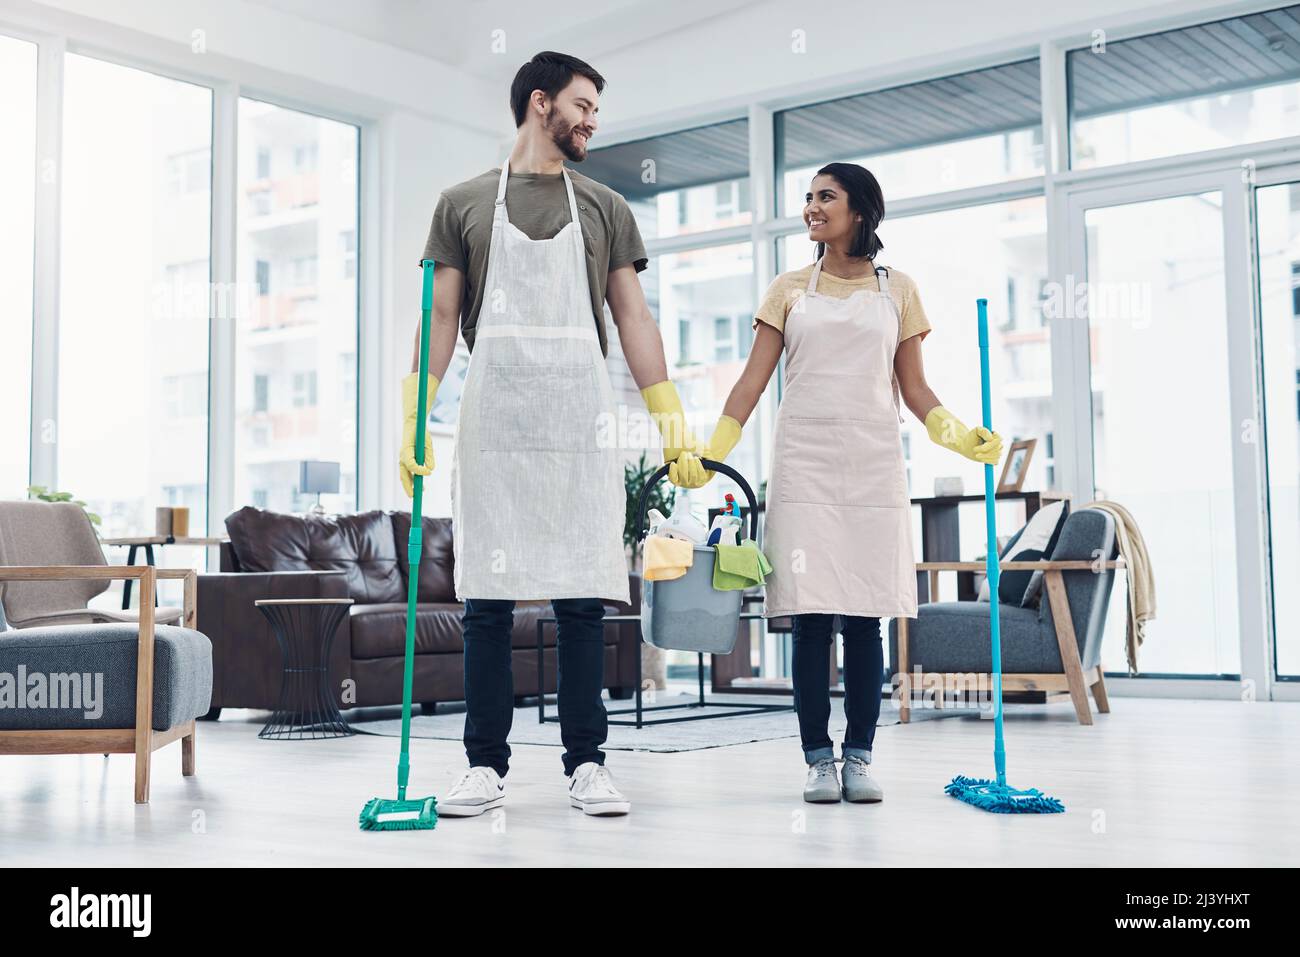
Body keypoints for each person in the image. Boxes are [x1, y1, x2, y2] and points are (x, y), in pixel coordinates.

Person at [400, 52, 699, 818]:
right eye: (583, 103)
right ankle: (483, 765)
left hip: (578, 420)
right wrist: (414, 417)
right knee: (487, 602)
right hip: (494, 420)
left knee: (582, 597)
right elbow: (440, 318)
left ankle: (588, 762)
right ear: (541, 104)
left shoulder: (604, 206)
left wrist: (671, 423)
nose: (593, 119)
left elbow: (633, 318)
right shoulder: (462, 203)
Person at [672, 162, 1003, 804]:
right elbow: (751, 381)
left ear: (860, 210)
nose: (812, 207)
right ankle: (817, 759)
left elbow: (916, 391)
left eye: (826, 197)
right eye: (808, 197)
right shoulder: (790, 288)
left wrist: (960, 435)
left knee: (863, 619)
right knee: (811, 616)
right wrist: (712, 449)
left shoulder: (898, 289)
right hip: (805, 461)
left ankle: (859, 756)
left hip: (873, 465)